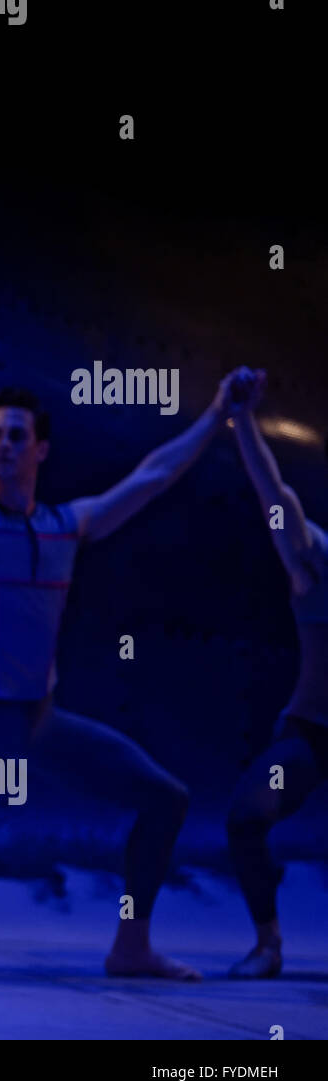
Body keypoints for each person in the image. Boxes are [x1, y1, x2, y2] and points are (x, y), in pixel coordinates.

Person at [0, 284, 238, 980]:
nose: (3, 445)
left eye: (16, 436)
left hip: (39, 723)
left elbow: (154, 475)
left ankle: (131, 943)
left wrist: (216, 416)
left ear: (40, 449)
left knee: (167, 798)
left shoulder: (69, 525)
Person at [224, 368, 328, 978]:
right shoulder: (315, 561)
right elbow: (275, 498)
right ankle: (268, 945)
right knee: (246, 816)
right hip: (311, 734)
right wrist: (242, 421)